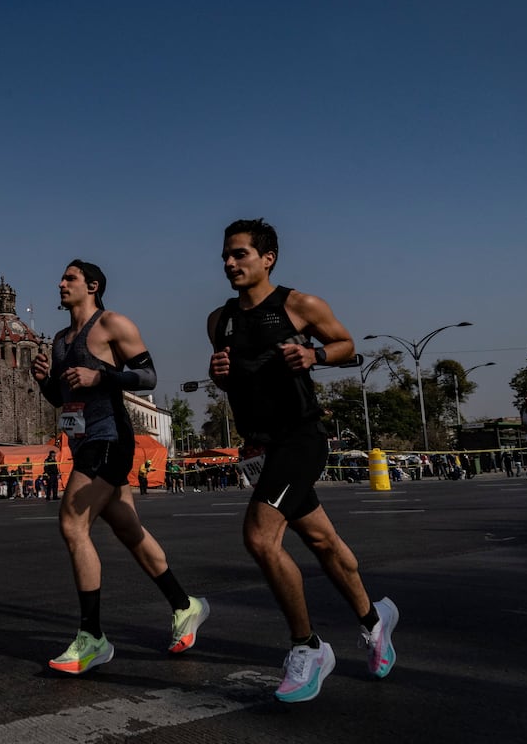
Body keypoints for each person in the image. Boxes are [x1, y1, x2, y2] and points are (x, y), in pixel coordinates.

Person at [206, 218, 398, 703]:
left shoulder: (300, 305)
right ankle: (375, 622)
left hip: (301, 437)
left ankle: (308, 647)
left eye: (240, 254)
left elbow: (346, 344)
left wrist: (316, 356)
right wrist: (219, 375)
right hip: (260, 446)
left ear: (267, 258)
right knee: (322, 541)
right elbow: (236, 381)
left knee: (259, 536)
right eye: (226, 255)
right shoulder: (219, 320)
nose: (230, 263)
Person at [31, 259, 209, 675]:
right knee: (129, 530)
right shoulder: (58, 341)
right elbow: (64, 401)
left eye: (70, 278)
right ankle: (186, 606)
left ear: (92, 286)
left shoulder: (112, 324)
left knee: (72, 525)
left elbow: (147, 376)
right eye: (61, 277)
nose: (60, 283)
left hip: (110, 439)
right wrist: (45, 381)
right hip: (83, 441)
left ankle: (92, 637)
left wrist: (102, 379)